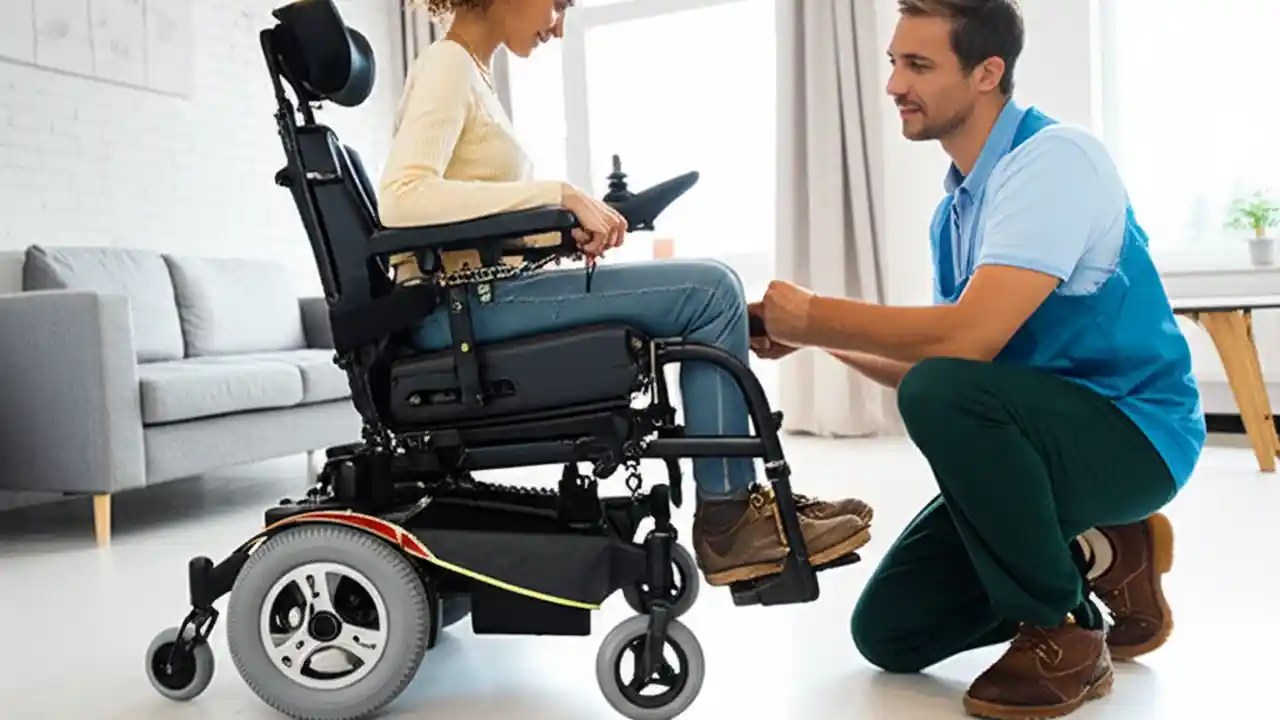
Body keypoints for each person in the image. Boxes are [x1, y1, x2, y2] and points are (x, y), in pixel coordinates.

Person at [749, 0, 1204, 718]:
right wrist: (815, 338)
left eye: (919, 65)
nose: (895, 84)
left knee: (944, 391)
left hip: (1135, 436)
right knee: (890, 633)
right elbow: (946, 369)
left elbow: (964, 348)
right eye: (894, 63)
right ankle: (1101, 552)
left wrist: (813, 311)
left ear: (988, 72)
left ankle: (1065, 632)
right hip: (1037, 435)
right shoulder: (956, 210)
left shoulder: (1054, 160)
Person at [377, 0, 875, 587]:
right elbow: (404, 199)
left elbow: (471, 217)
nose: (559, 24)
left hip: (484, 297)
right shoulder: (447, 66)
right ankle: (730, 515)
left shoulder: (470, 71)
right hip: (462, 309)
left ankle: (738, 503)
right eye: (558, 4)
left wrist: (556, 229)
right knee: (711, 290)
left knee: (714, 294)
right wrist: (558, 196)